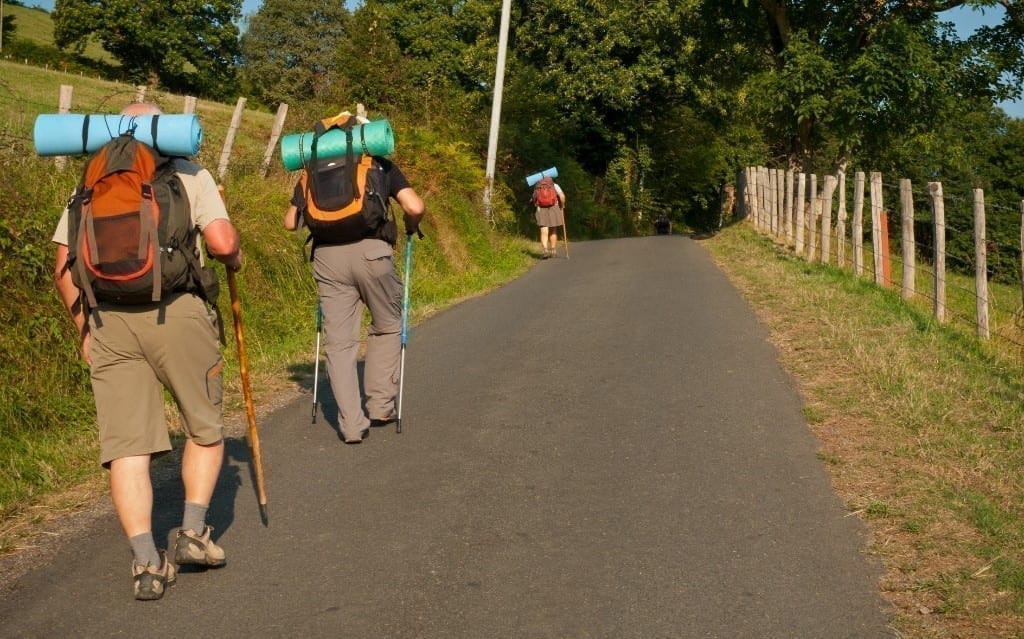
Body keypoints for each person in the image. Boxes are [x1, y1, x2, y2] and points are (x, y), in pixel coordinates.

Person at [52, 103, 242, 601]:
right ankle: (194, 535)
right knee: (205, 427)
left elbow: (61, 267)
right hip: (177, 313)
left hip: (108, 321)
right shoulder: (187, 173)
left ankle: (145, 564)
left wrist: (86, 330)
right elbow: (221, 242)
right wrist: (235, 254)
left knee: (127, 451)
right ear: (166, 131)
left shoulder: (91, 181)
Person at [283, 121, 425, 445]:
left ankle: (350, 425)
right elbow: (415, 206)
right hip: (373, 253)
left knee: (339, 344)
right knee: (388, 325)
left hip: (327, 261)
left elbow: (290, 222)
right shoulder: (378, 164)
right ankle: (379, 406)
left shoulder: (310, 172)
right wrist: (410, 223)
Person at [533, 177, 566, 258]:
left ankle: (545, 250)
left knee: (543, 230)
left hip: (541, 208)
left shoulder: (537, 186)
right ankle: (553, 250)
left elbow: (534, 198)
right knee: (553, 230)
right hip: (553, 207)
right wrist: (562, 205)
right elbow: (562, 196)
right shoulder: (554, 185)